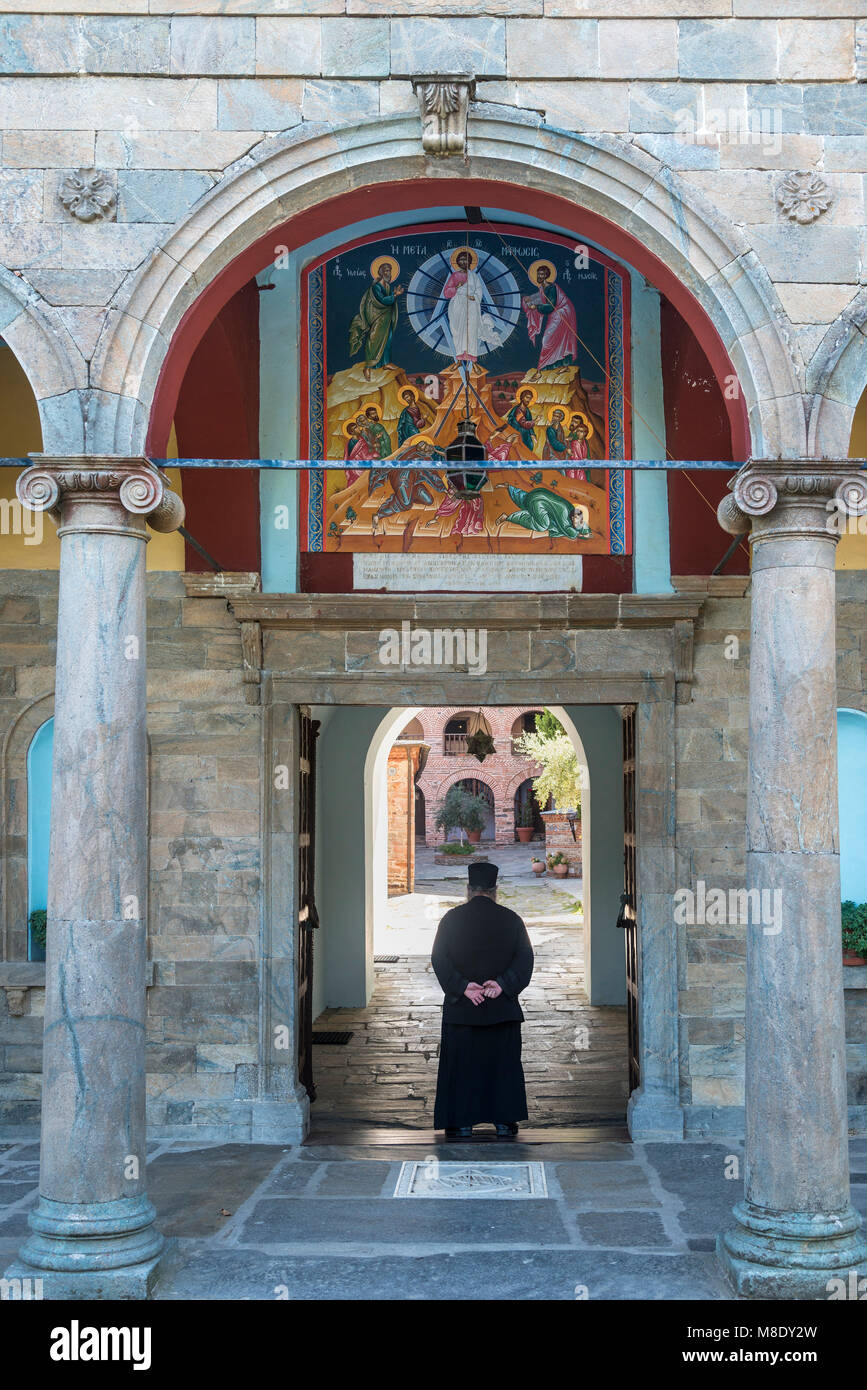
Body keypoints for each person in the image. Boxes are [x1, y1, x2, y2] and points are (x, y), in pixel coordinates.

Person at [431, 861, 534, 1140]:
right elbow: (525, 960)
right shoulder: (512, 919)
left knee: (462, 1068)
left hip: (462, 1010)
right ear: (494, 890)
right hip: (501, 1010)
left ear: (468, 889)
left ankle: (462, 1123)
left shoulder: (451, 919)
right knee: (503, 1067)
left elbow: (439, 959)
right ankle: (504, 1122)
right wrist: (502, 985)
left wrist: (464, 987)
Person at [440, 248, 503, 362]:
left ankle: (471, 355)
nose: (464, 262)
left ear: (469, 262)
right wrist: (457, 287)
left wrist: (474, 297)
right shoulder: (454, 276)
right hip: (458, 304)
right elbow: (447, 292)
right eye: (462, 260)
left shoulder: (474, 276)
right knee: (458, 329)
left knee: (471, 329)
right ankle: (460, 355)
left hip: (472, 305)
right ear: (458, 262)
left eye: (466, 260)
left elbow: (479, 290)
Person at [348, 256, 403, 381]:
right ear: (380, 272)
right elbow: (382, 301)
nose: (388, 273)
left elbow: (390, 302)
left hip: (387, 318)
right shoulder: (376, 287)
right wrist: (395, 295)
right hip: (378, 318)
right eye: (386, 270)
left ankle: (385, 363)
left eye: (389, 271)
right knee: (374, 341)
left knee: (387, 340)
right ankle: (368, 367)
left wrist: (393, 295)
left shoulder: (388, 287)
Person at [522, 260, 578, 370]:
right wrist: (529, 299)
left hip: (563, 313)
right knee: (555, 339)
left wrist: (536, 307)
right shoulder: (543, 288)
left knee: (548, 340)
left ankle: (551, 366)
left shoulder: (551, 288)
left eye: (542, 274)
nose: (539, 276)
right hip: (556, 313)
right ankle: (556, 366)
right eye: (538, 274)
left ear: (546, 275)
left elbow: (550, 306)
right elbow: (540, 298)